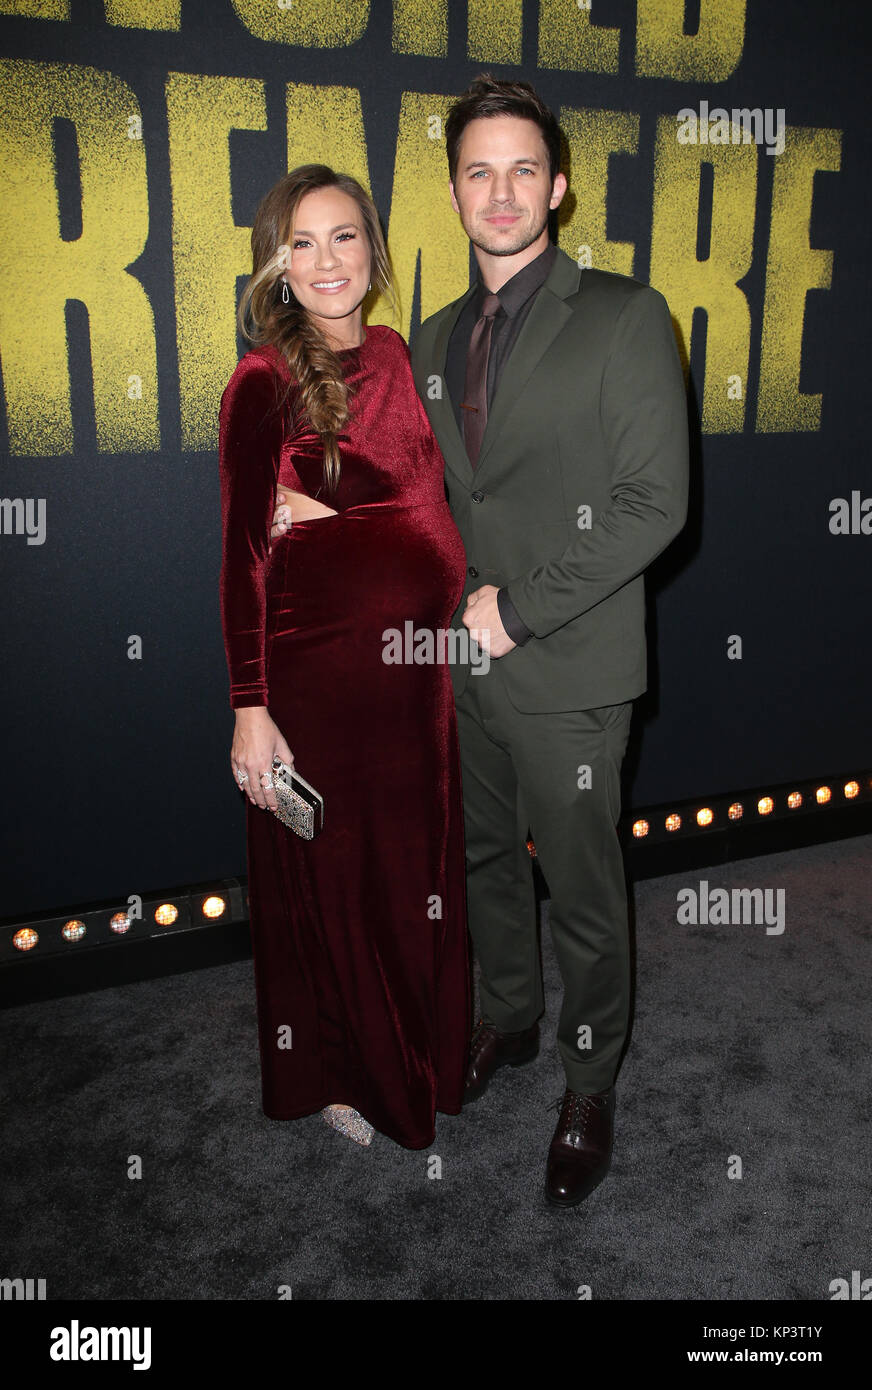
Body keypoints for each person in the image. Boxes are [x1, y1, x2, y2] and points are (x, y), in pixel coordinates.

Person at [271, 81, 689, 1204]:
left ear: (554, 186)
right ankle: (505, 1016)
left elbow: (654, 505)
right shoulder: (437, 337)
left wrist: (519, 606)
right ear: (452, 190)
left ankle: (588, 1077)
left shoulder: (622, 315)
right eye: (474, 171)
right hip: (459, 671)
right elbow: (413, 486)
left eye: (519, 170)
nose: (497, 192)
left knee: (586, 887)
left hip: (570, 669)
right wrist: (331, 511)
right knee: (482, 864)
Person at [219, 164, 471, 1150]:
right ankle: (337, 1067)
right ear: (277, 267)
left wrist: (345, 516)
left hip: (417, 680)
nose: (327, 260)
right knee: (333, 877)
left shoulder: (401, 355)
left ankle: (422, 1051)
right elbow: (241, 557)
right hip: (318, 680)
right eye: (304, 243)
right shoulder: (261, 382)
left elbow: (420, 495)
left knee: (414, 871)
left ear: (372, 252)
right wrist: (250, 707)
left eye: (344, 237)